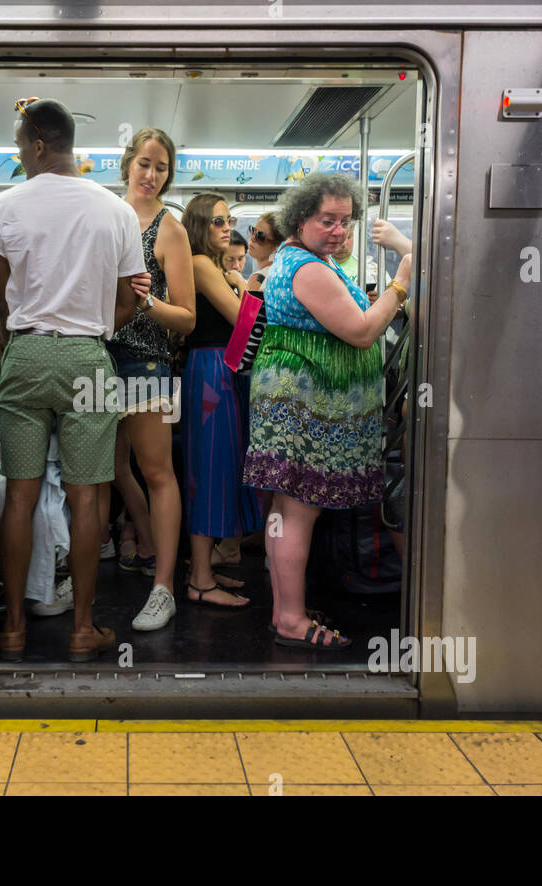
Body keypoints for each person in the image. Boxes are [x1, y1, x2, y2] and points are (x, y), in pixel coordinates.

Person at [0, 97, 147, 663]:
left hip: (26, 356)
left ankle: (11, 627)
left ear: (38, 144)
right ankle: (83, 628)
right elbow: (130, 300)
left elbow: (1, 293)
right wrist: (94, 328)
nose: (15, 156)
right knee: (87, 497)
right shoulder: (116, 211)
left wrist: (12, 334)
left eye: (17, 147)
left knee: (21, 495)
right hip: (86, 360)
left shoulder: (1, 207)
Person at [244, 173, 412, 651]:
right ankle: (292, 619)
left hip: (298, 401)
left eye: (346, 221)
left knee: (286, 512)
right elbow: (361, 331)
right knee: (298, 512)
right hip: (307, 405)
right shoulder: (310, 270)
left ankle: (284, 609)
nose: (339, 230)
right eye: (328, 221)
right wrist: (399, 285)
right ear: (300, 220)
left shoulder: (301, 259)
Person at [99, 127, 196, 632]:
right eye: (144, 163)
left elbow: (187, 317)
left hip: (145, 363)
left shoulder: (169, 229)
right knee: (106, 470)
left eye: (161, 167)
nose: (151, 174)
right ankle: (150, 547)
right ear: (127, 165)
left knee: (157, 471)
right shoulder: (103, 215)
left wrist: (146, 302)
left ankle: (164, 587)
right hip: (98, 358)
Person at [180, 192, 265, 609]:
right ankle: (199, 578)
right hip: (212, 368)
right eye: (218, 221)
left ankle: (205, 571)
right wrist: (243, 287)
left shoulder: (209, 265)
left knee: (218, 467)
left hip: (217, 368)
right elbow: (242, 322)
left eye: (228, 219)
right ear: (199, 226)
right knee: (208, 471)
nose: (227, 226)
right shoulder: (200, 264)